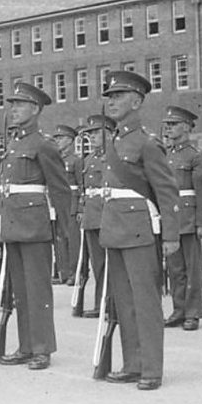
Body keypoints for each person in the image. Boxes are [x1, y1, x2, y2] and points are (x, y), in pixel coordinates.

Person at [99, 71, 180, 391]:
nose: (112, 101)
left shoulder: (147, 143)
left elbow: (167, 192)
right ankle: (131, 363)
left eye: (118, 96)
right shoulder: (115, 140)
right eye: (109, 96)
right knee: (124, 301)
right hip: (115, 228)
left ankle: (151, 368)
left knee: (145, 302)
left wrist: (171, 235)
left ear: (137, 101)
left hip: (139, 230)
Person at [0, 82, 71, 371]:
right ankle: (25, 345)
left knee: (38, 290)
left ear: (36, 109)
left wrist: (64, 231)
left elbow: (60, 189)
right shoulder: (14, 143)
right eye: (12, 104)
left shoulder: (43, 144)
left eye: (20, 105)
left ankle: (42, 348)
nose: (13, 109)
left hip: (35, 226)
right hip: (14, 224)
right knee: (21, 292)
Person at [162, 106, 202, 332]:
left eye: (173, 125)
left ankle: (192, 313)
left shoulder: (196, 156)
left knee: (192, 270)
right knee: (175, 268)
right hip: (172, 219)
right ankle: (178, 309)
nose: (169, 129)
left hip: (189, 217)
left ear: (186, 127)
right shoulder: (166, 155)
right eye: (168, 125)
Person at [77, 114, 116, 318]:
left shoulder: (113, 157)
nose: (91, 138)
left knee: (110, 263)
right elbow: (86, 190)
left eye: (95, 133)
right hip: (92, 216)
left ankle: (109, 302)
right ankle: (100, 301)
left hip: (107, 214)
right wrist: (82, 210)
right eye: (89, 134)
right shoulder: (90, 159)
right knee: (97, 263)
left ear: (108, 134)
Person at [52, 124, 83, 286]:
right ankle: (61, 272)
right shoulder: (55, 160)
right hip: (58, 204)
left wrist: (80, 208)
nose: (57, 141)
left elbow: (81, 185)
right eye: (56, 138)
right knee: (59, 240)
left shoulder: (76, 161)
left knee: (72, 240)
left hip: (71, 204)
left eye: (61, 138)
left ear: (70, 141)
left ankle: (73, 272)